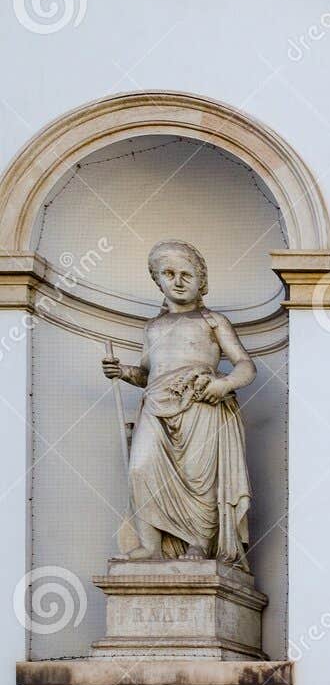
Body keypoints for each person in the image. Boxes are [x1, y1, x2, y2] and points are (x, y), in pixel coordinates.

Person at [100, 240, 256, 569]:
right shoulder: (154, 327)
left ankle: (199, 542)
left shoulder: (213, 321)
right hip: (156, 405)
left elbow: (245, 365)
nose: (179, 280)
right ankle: (149, 545)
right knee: (140, 467)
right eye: (169, 273)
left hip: (201, 404)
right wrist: (124, 372)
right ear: (158, 281)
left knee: (199, 476)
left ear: (202, 281)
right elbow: (148, 373)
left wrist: (223, 384)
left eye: (187, 274)